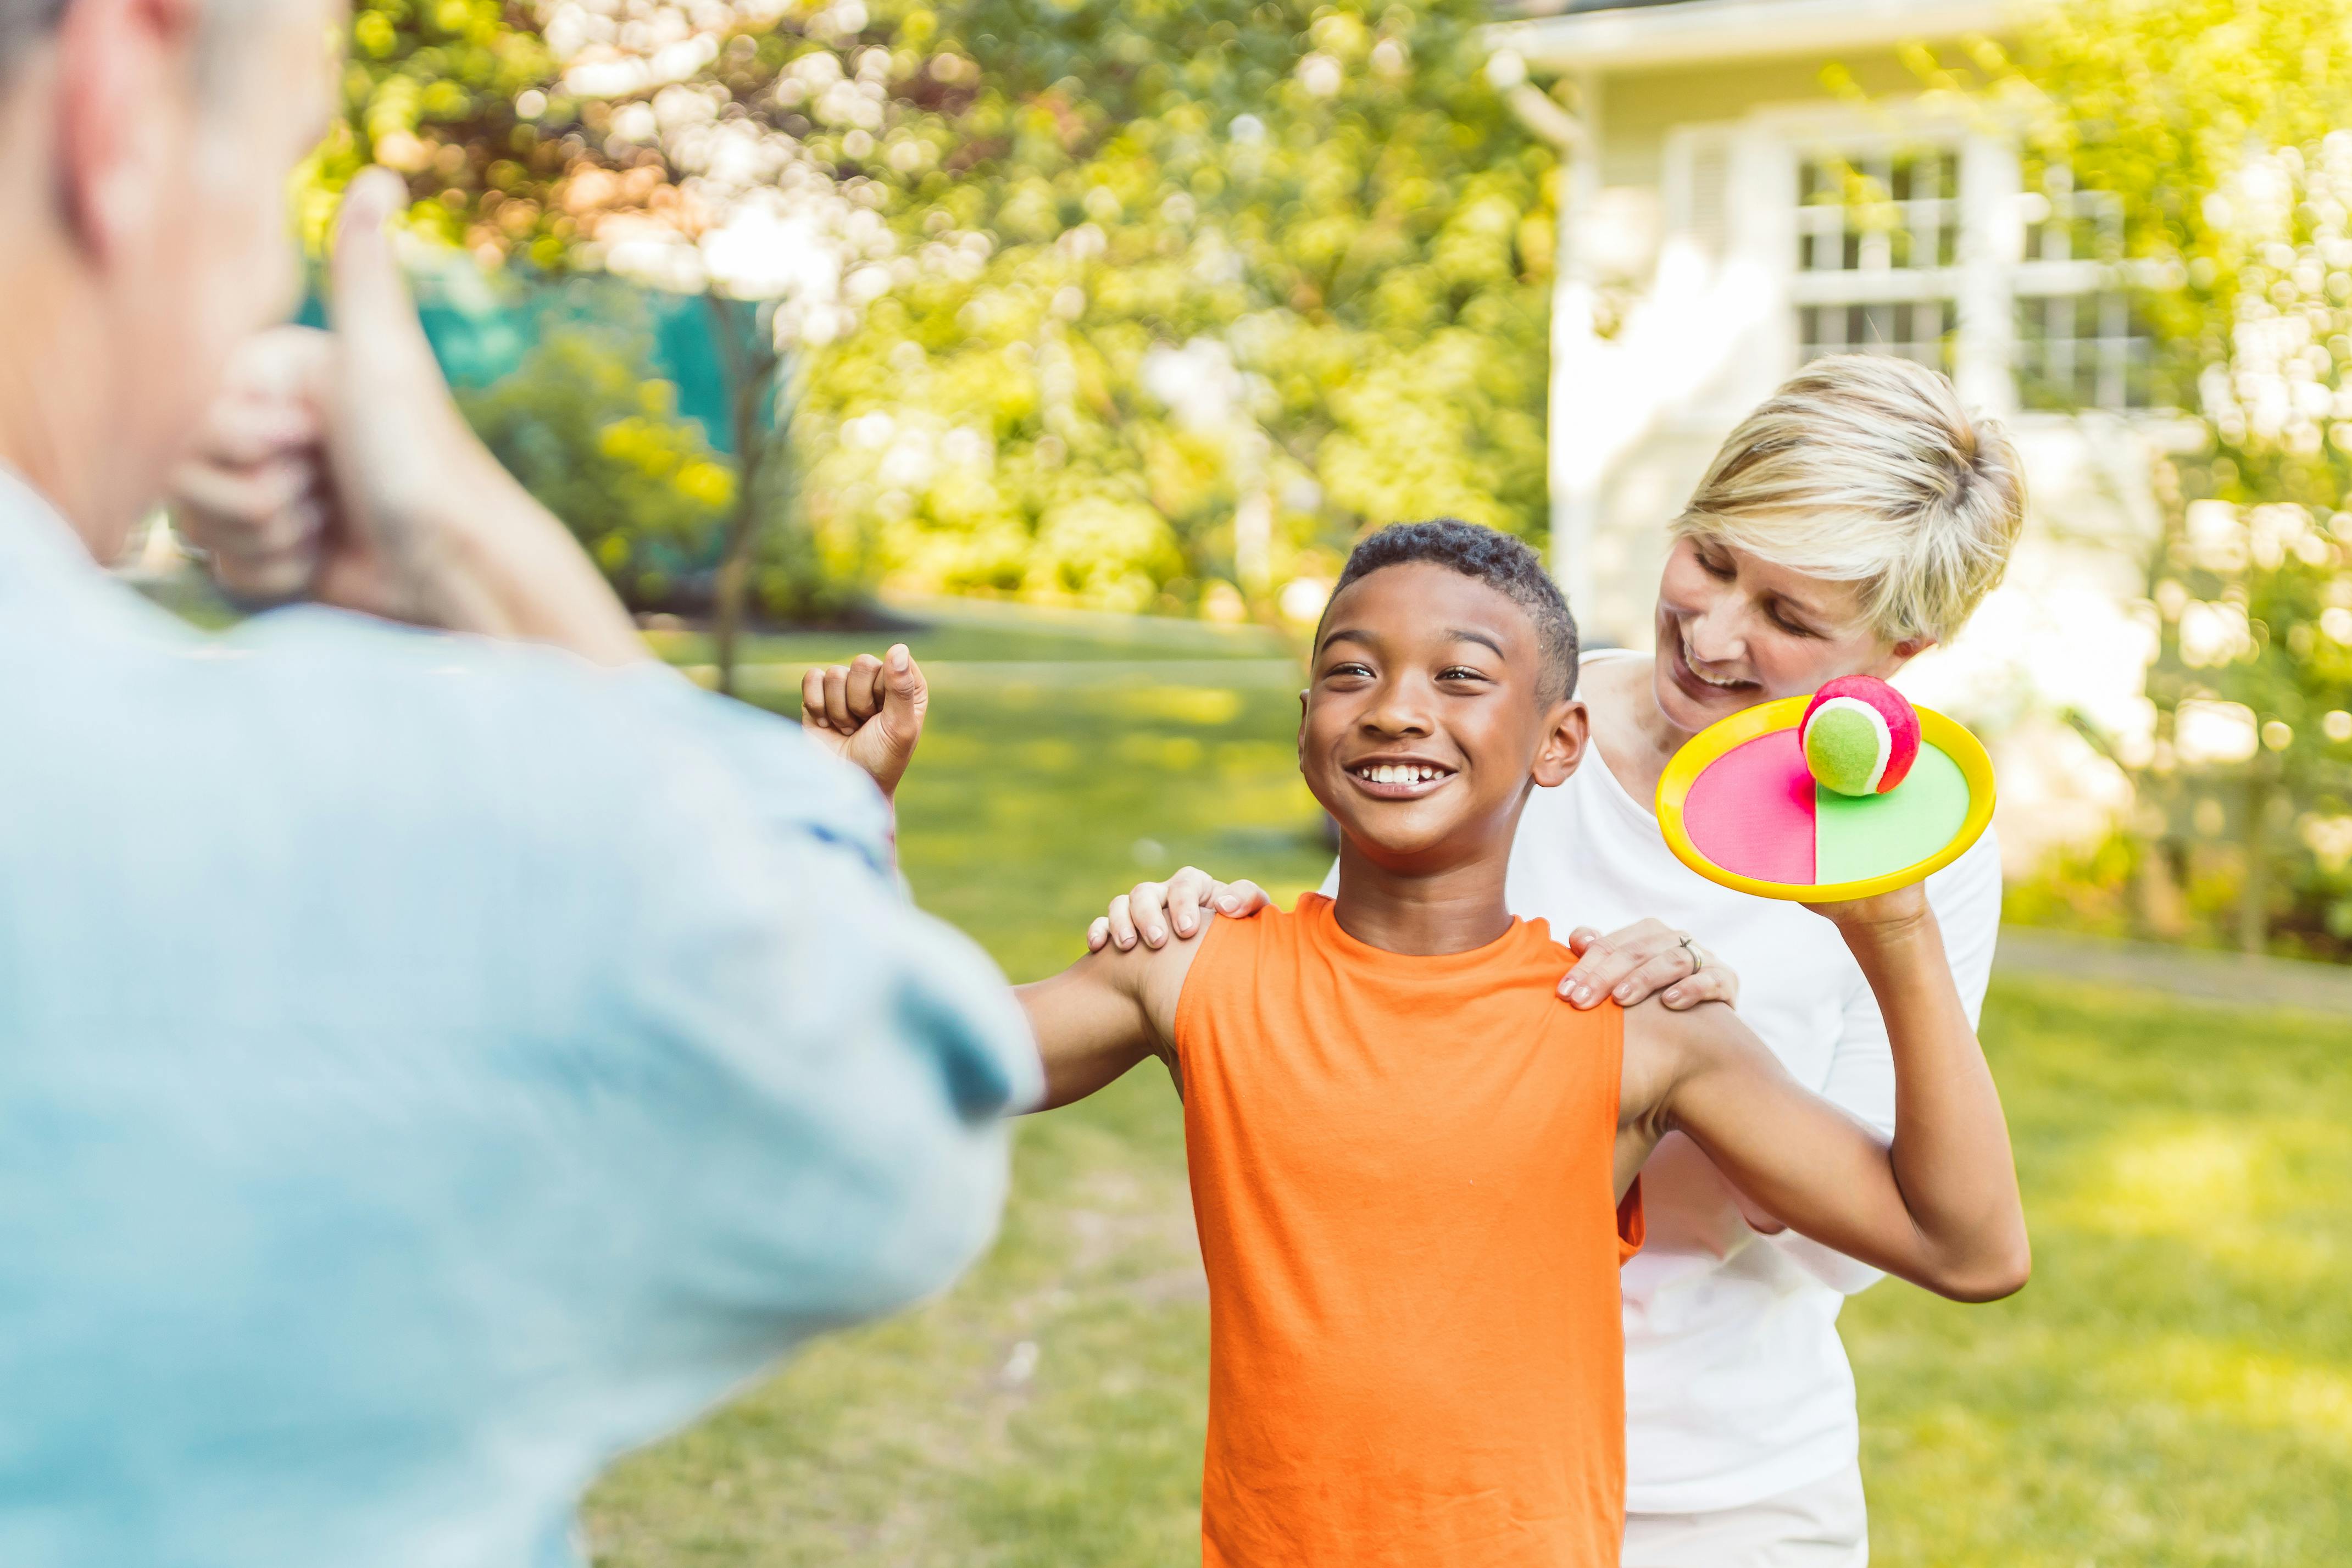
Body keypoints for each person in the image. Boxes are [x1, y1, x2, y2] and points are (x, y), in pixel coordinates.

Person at [0, 0, 1035, 1561]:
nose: (259, 292)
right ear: (116, 103)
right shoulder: (375, 853)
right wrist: (492, 570)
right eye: (280, 172)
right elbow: (892, 1099)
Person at [803, 520, 2030, 1568]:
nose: (1395, 706)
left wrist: (1893, 925)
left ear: (1559, 743)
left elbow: (1964, 1244)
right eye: (1350, 671)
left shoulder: (1636, 1017)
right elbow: (881, 1065)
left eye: (1460, 677)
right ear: (1301, 727)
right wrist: (846, 817)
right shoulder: (1191, 964)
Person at [1096, 354, 2026, 1564]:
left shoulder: (1910, 854)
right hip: (1440, 1489)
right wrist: (1213, 939)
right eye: (1711, 557)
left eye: (1788, 617)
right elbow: (1341, 1072)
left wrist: (1702, 1060)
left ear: (1903, 648)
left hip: (1724, 1491)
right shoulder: (1503, 724)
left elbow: (1860, 1252)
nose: (1711, 627)